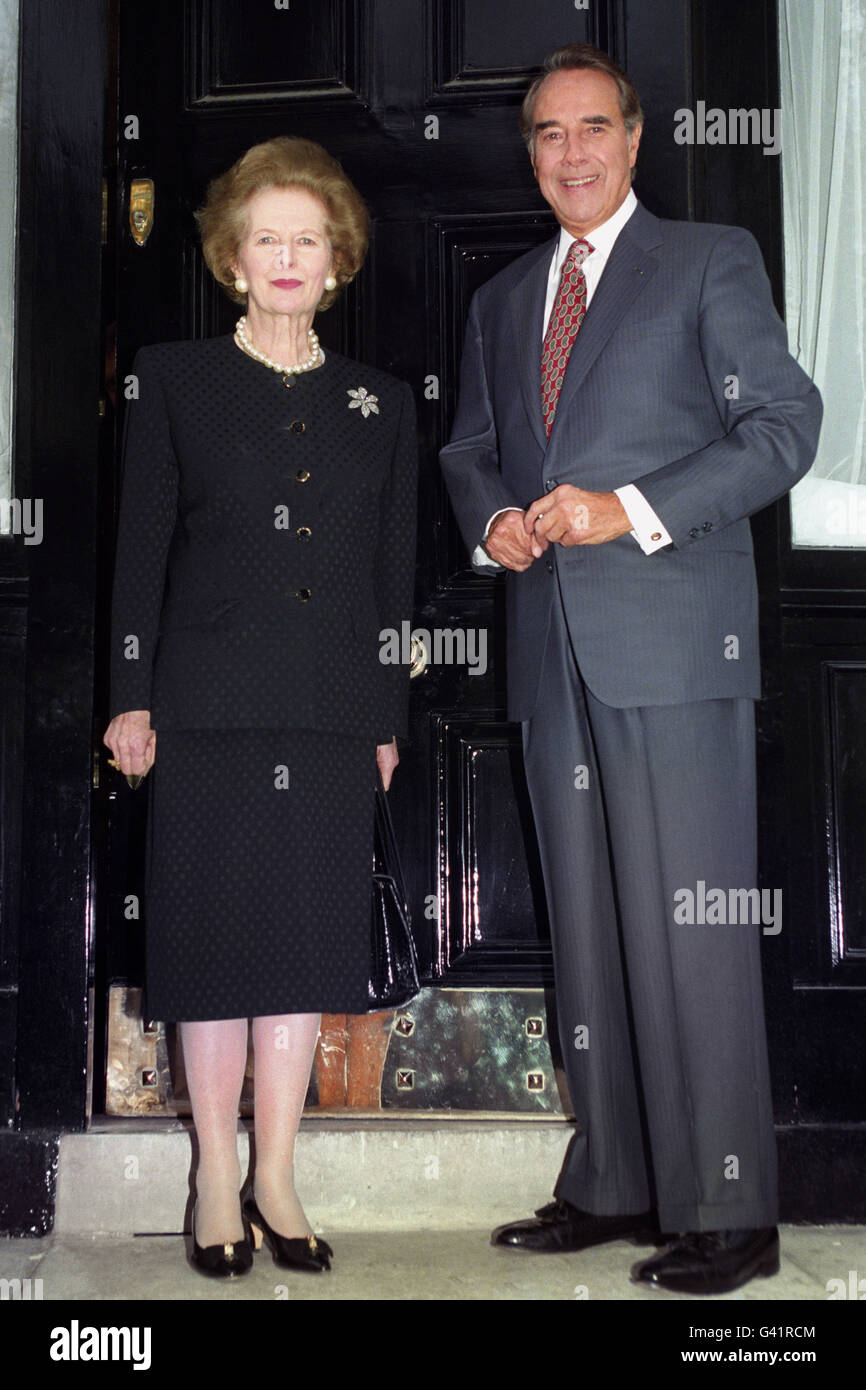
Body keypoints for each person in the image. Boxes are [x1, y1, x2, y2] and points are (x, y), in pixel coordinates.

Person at [439, 42, 822, 1295]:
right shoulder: (501, 300)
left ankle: (727, 1209)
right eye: (547, 134)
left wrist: (633, 509)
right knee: (590, 935)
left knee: (690, 932)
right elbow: (471, 449)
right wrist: (491, 519)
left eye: (592, 127)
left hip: (674, 642)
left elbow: (782, 425)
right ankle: (610, 1183)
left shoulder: (707, 262)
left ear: (635, 138)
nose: (571, 152)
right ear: (529, 152)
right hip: (549, 649)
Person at [104, 136, 417, 1279]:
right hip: (205, 710)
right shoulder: (176, 380)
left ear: (337, 261)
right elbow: (139, 555)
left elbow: (391, 580)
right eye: (266, 239)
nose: (288, 257)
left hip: (331, 713)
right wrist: (130, 700)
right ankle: (207, 1176)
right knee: (213, 947)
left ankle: (275, 1175)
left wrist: (385, 717)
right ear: (233, 259)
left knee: (297, 953)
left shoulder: (378, 404)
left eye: (309, 240)